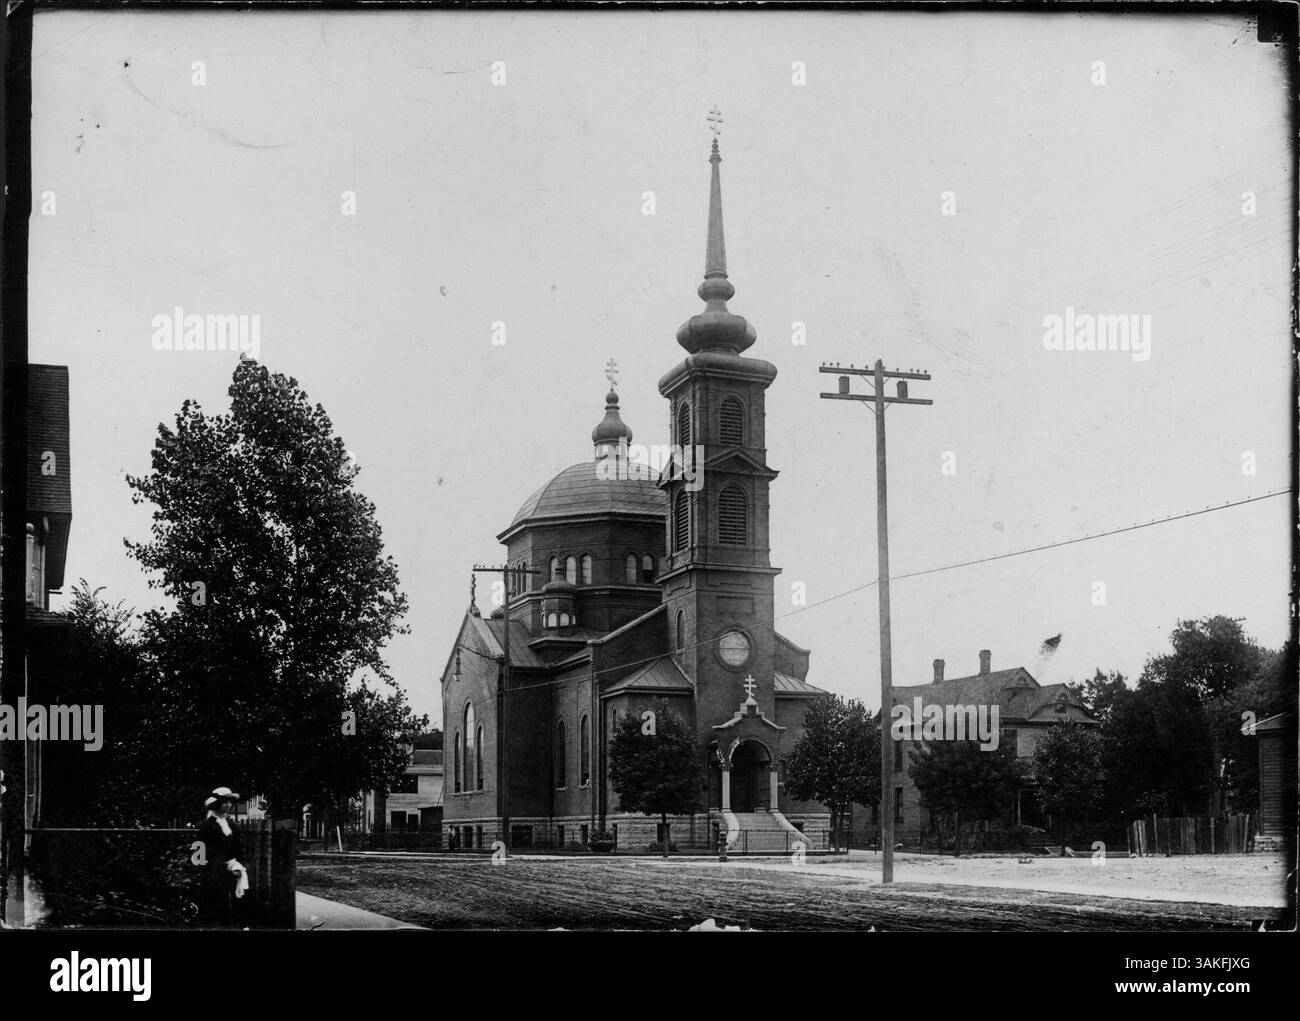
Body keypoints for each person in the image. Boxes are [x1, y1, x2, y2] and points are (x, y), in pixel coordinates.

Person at [196, 786, 248, 928]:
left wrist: (239, 866)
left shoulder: (234, 827)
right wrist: (224, 868)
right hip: (212, 875)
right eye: (225, 802)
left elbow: (239, 851)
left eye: (231, 802)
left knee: (233, 911)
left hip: (233, 874)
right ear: (216, 803)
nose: (229, 805)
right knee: (215, 910)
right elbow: (201, 854)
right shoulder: (205, 826)